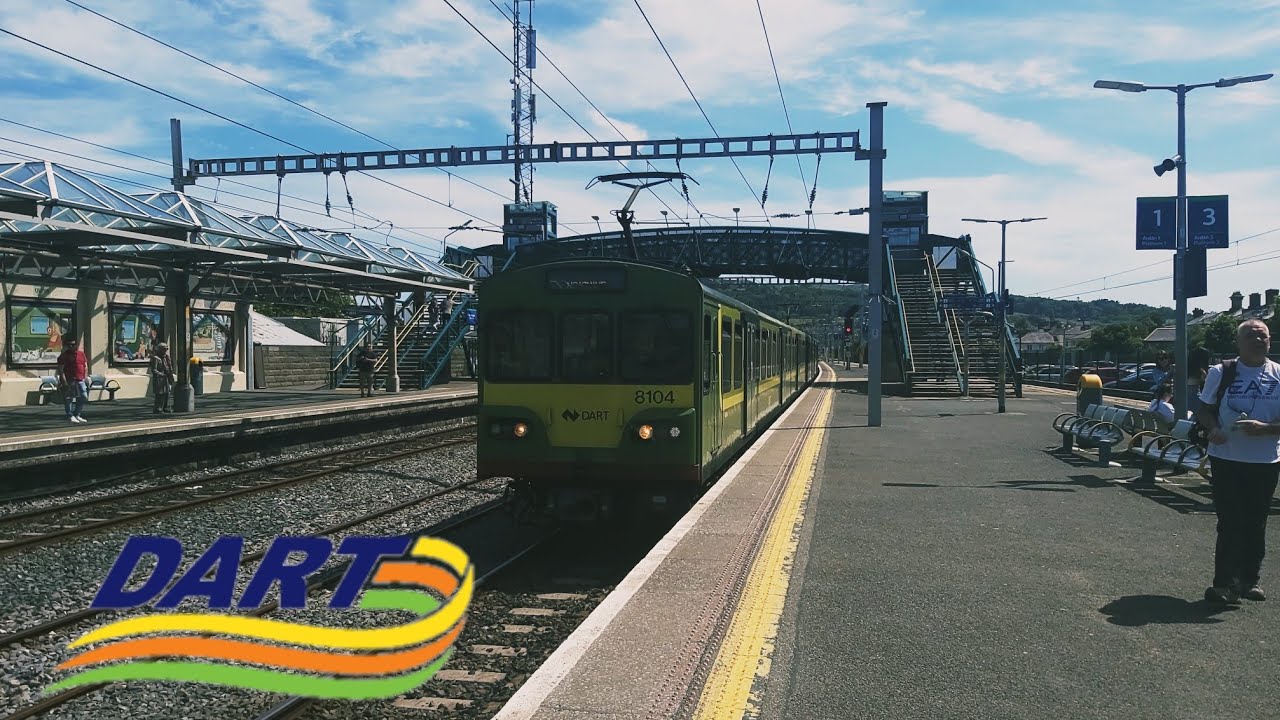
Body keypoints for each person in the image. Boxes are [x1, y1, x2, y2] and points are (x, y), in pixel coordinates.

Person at [1196, 319, 1280, 604]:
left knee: (1256, 523)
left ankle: (1249, 581)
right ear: (1239, 342)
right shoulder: (1222, 372)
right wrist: (1212, 430)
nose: (1259, 341)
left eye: (1263, 337)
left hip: (1266, 461)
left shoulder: (1279, 374)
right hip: (1227, 459)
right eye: (1252, 336)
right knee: (1230, 522)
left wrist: (1266, 429)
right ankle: (1223, 585)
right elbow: (1204, 410)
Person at [57, 338, 88, 424]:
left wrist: (85, 378)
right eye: (69, 345)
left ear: (76, 345)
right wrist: (64, 382)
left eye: (72, 345)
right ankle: (70, 415)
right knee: (69, 398)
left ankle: (77, 414)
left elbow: (85, 366)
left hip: (80, 379)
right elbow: (61, 370)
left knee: (83, 396)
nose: (71, 346)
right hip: (69, 380)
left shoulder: (81, 354)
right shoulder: (63, 356)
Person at [149, 342, 176, 414]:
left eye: (167, 349)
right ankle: (158, 408)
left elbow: (169, 367)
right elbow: (154, 370)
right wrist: (161, 374)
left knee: (166, 393)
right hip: (159, 379)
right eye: (164, 349)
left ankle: (164, 407)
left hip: (166, 378)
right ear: (160, 349)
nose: (166, 350)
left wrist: (170, 376)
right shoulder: (156, 358)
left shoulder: (167, 357)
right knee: (160, 394)